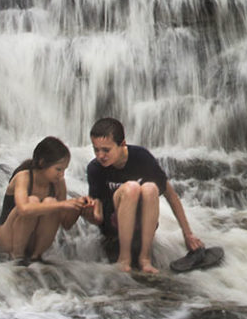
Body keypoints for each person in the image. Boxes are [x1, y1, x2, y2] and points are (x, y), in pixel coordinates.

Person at [83, 117, 203, 273]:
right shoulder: (95, 168)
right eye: (96, 149)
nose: (100, 156)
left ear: (122, 144)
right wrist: (88, 213)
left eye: (106, 150)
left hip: (142, 223)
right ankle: (124, 259)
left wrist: (188, 234)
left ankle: (144, 259)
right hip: (114, 225)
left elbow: (171, 196)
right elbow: (98, 214)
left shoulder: (141, 157)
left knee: (150, 188)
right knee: (132, 187)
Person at [0, 136, 92, 264]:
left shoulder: (59, 184)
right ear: (42, 163)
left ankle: (36, 256)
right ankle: (17, 257)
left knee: (50, 203)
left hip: (33, 241)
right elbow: (23, 209)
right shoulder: (23, 177)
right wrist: (62, 204)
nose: (62, 175)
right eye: (58, 169)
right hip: (8, 239)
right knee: (33, 201)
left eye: (64, 170)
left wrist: (78, 208)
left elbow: (66, 224)